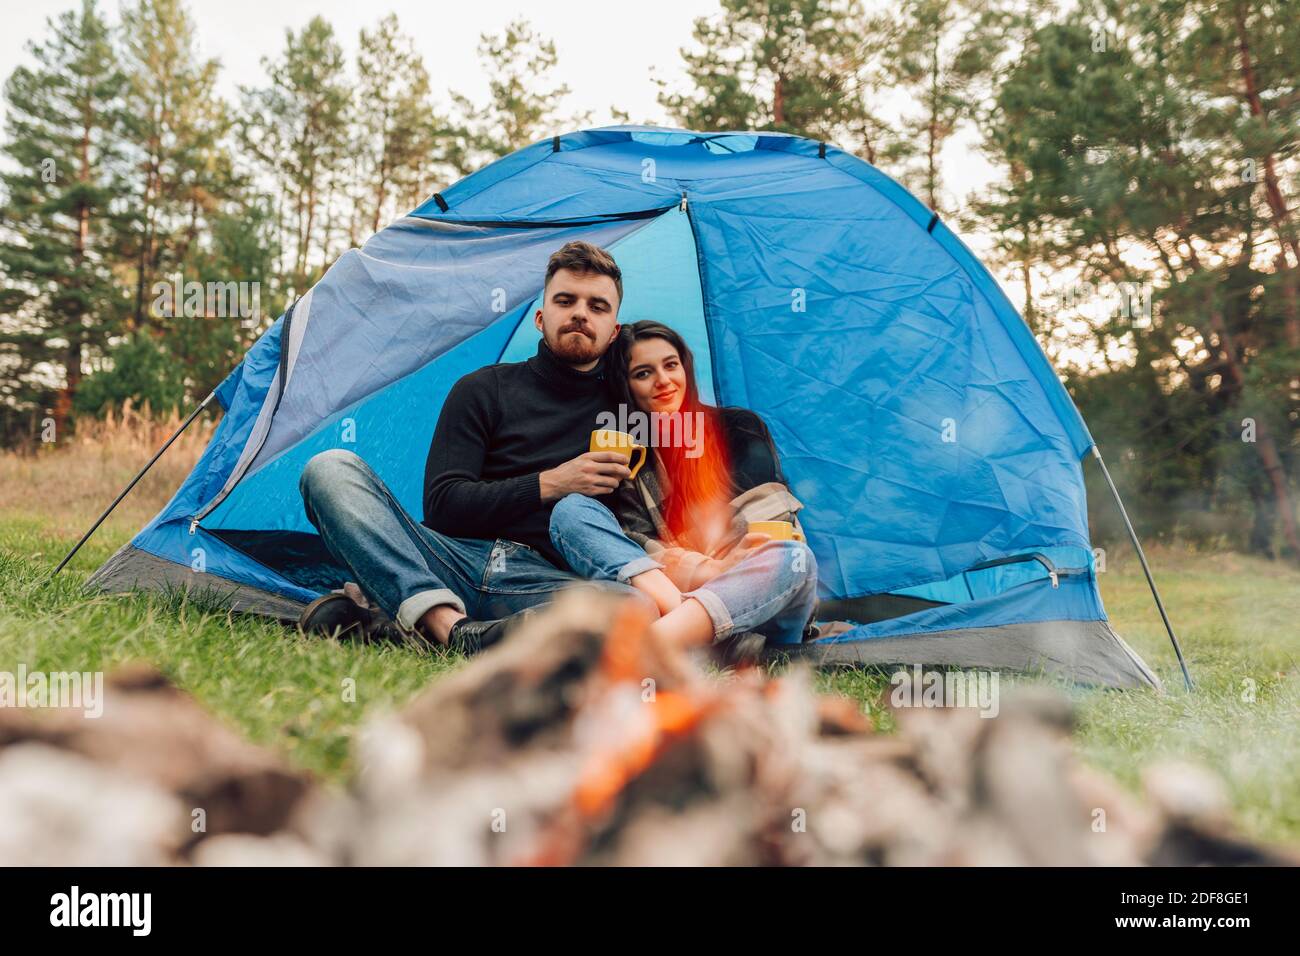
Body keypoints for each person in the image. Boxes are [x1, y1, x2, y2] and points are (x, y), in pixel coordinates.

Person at [297, 241, 658, 652]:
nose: (580, 313)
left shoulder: (626, 413)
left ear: (614, 332)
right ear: (541, 318)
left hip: (541, 581)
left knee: (632, 605)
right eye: (565, 300)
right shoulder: (483, 388)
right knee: (329, 468)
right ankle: (449, 625)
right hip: (448, 558)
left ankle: (394, 623)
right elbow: (444, 506)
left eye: (597, 306)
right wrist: (552, 482)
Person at [547, 320, 818, 650]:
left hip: (755, 597)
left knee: (793, 558)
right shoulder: (629, 454)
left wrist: (716, 568)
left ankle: (649, 650)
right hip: (678, 599)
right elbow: (636, 552)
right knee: (571, 510)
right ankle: (702, 637)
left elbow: (770, 519)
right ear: (626, 386)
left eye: (670, 365)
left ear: (685, 368)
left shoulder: (737, 428)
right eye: (643, 373)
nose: (663, 381)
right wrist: (708, 569)